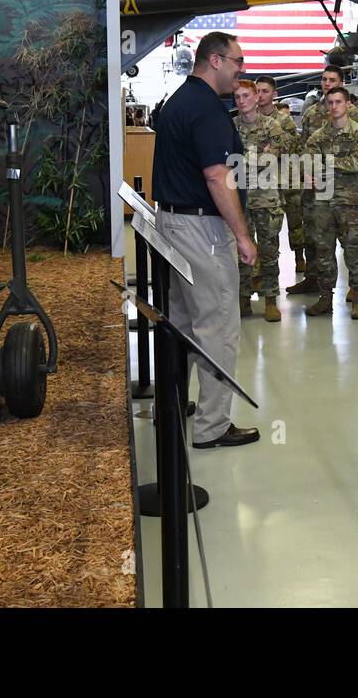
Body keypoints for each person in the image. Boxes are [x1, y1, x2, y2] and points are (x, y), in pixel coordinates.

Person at [152, 31, 260, 449]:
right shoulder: (207, 110)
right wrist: (242, 235)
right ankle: (212, 427)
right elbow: (218, 177)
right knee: (217, 327)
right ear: (214, 60)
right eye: (237, 61)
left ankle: (174, 403)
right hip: (202, 230)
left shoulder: (181, 100)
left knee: (183, 323)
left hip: (173, 223)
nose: (241, 70)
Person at [288, 66, 358, 295]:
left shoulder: (353, 114)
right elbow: (303, 149)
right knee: (314, 235)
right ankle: (313, 279)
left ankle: (354, 287)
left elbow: (355, 155)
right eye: (324, 79)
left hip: (343, 187)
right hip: (315, 188)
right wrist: (306, 173)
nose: (327, 83)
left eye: (332, 80)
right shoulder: (311, 113)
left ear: (341, 83)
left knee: (348, 239)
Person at [304, 86, 358, 319]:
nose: (333, 106)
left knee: (354, 250)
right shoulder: (317, 137)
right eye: (330, 102)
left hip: (349, 203)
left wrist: (324, 162)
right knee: (323, 250)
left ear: (347, 105)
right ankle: (326, 299)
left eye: (338, 102)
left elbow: (356, 164)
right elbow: (309, 165)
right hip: (323, 202)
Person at [233, 79, 288, 323]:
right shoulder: (230, 126)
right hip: (239, 200)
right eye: (237, 97)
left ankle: (270, 300)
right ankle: (243, 298)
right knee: (240, 252)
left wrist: (244, 159)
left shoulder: (272, 126)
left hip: (266, 199)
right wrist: (255, 156)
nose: (241, 101)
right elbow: (229, 162)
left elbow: (269, 160)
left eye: (246, 96)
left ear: (257, 98)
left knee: (269, 250)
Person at [255, 75, 306, 276]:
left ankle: (299, 257)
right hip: (265, 183)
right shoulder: (251, 120)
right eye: (257, 91)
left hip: (288, 178)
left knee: (295, 222)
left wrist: (266, 151)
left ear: (274, 94)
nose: (260, 95)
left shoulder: (285, 121)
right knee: (269, 227)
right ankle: (266, 267)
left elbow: (288, 148)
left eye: (265, 91)